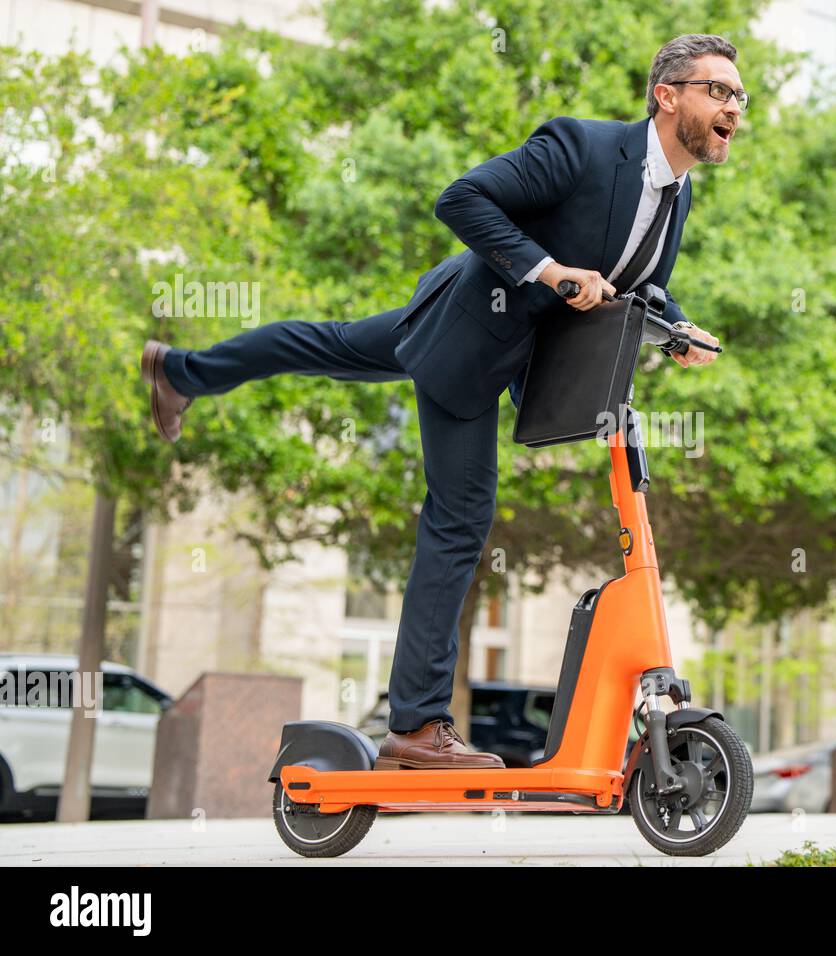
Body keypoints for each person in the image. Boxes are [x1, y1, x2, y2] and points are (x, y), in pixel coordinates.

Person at [140, 33, 740, 769]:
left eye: (740, 97)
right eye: (719, 90)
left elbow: (630, 275)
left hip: (488, 338)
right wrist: (550, 271)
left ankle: (180, 372)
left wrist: (675, 325)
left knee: (324, 346)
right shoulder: (584, 148)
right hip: (468, 342)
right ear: (667, 93)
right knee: (461, 519)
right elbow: (463, 198)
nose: (733, 108)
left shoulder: (674, 195)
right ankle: (417, 725)